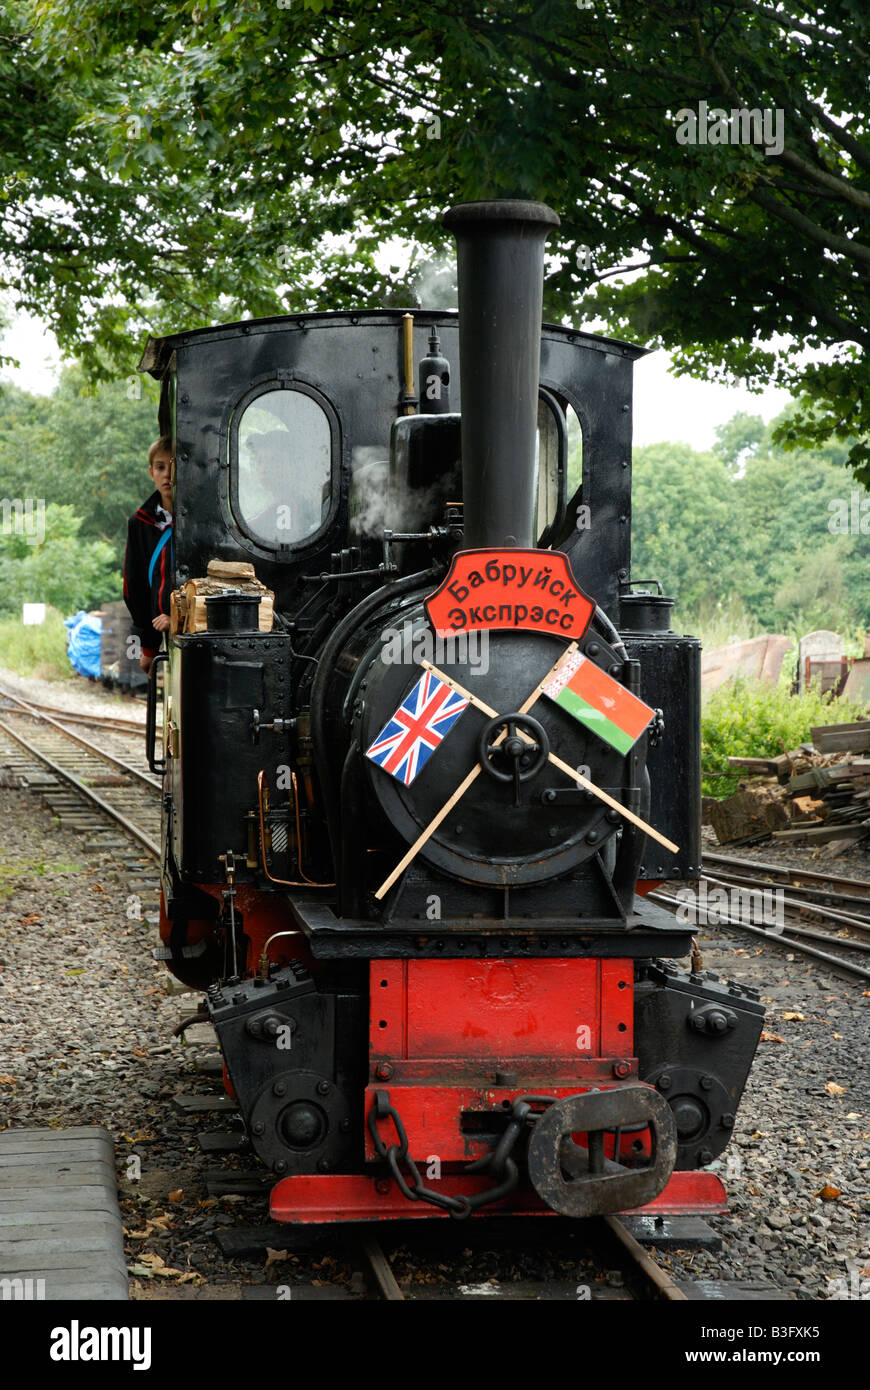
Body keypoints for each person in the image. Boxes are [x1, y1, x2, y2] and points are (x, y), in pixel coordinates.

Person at [123, 437, 174, 675]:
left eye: (173, 467)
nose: (167, 475)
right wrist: (148, 646)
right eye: (160, 467)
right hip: (159, 628)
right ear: (151, 472)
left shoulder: (204, 521)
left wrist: (178, 617)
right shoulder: (140, 523)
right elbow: (136, 585)